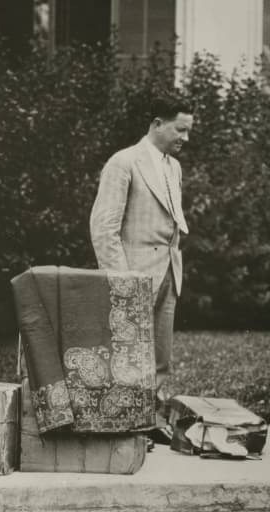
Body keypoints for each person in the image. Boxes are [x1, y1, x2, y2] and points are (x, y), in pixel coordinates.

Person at [89, 97, 194, 440]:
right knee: (127, 356)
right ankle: (121, 424)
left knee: (160, 356)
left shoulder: (174, 167)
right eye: (180, 130)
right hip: (133, 274)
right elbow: (104, 228)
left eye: (188, 132)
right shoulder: (124, 162)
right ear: (157, 124)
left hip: (168, 272)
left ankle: (149, 419)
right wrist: (122, 280)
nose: (185, 138)